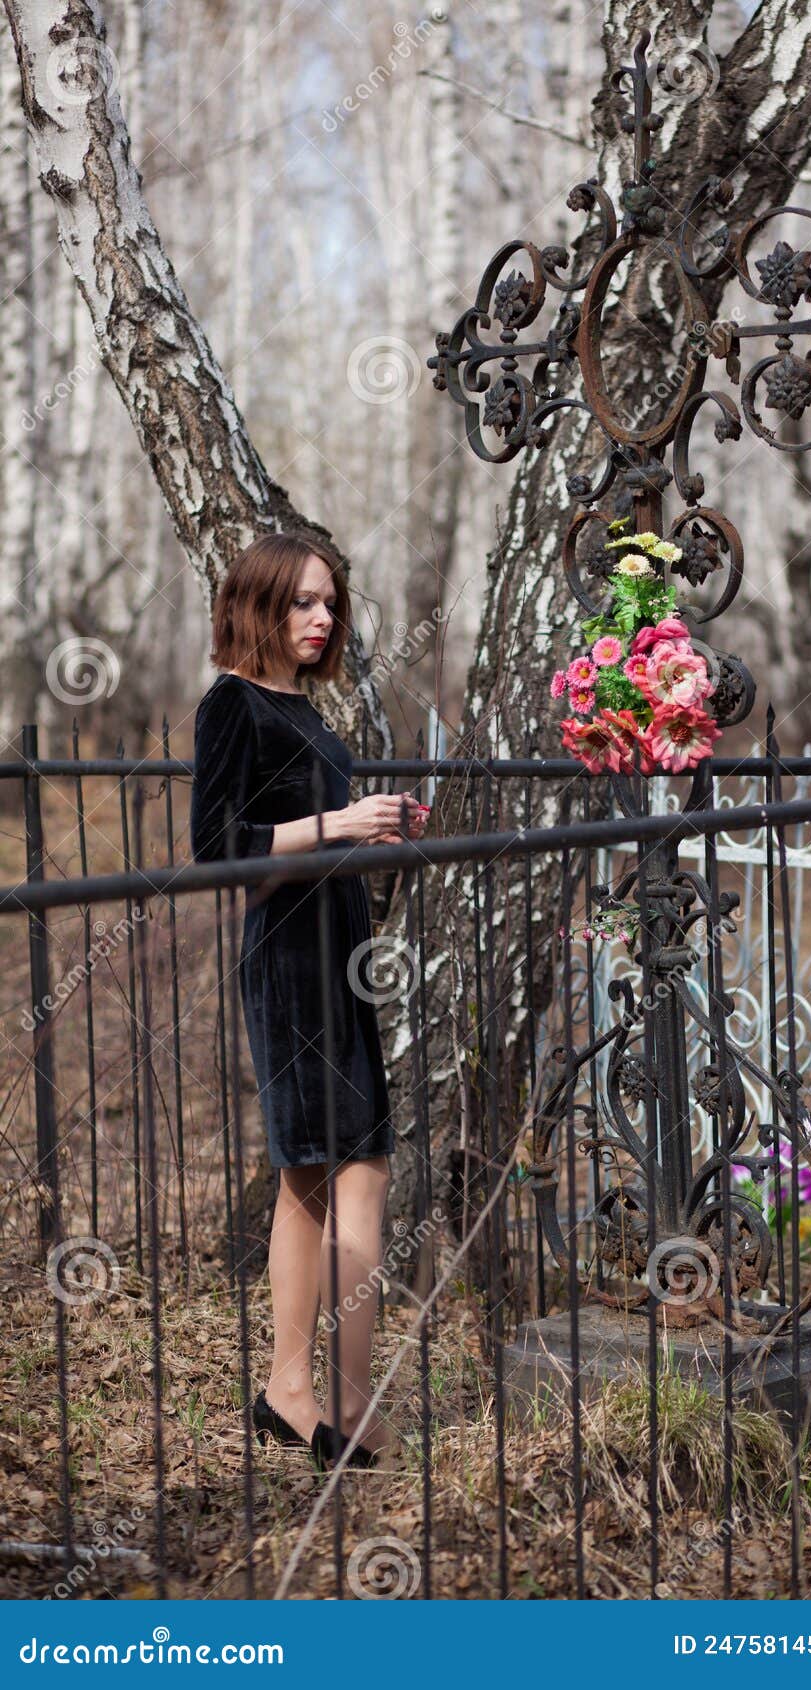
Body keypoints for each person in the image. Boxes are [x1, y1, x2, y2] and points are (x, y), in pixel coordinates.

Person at [189, 532, 428, 1470]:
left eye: (330, 602)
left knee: (314, 1179)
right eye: (301, 602)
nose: (323, 618)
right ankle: (348, 1406)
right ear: (257, 606)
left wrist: (369, 835)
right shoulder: (233, 704)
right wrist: (340, 820)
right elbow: (217, 847)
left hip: (338, 948)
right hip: (291, 960)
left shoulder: (301, 706)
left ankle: (290, 1392)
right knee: (355, 1172)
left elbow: (303, 832)